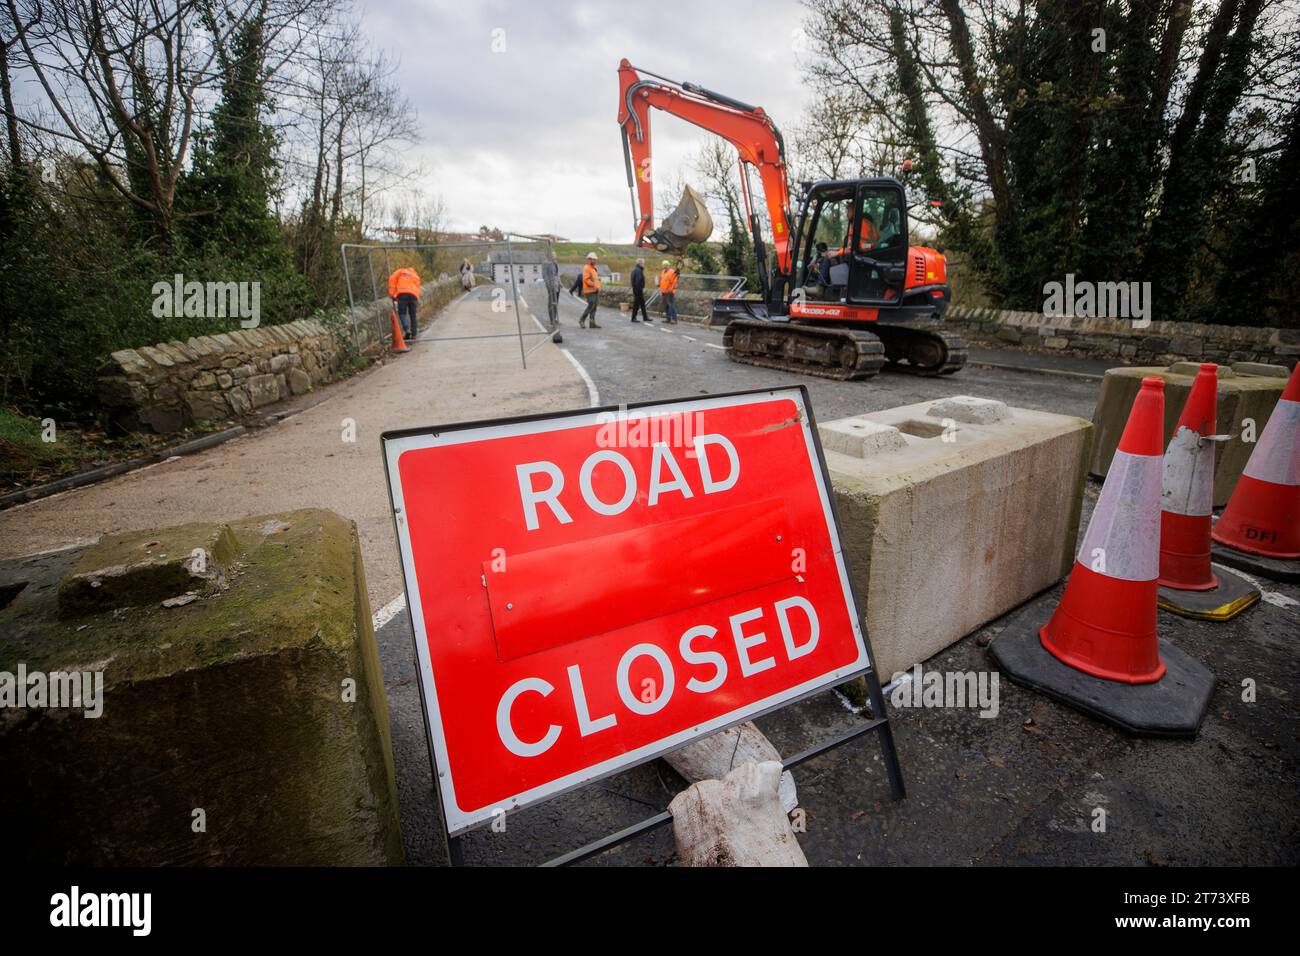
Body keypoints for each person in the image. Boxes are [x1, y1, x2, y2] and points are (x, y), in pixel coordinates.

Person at [387, 265, 421, 340]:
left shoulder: (401, 271)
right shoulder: (416, 276)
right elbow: (418, 287)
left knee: (402, 313)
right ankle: (414, 333)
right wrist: (416, 298)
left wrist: (392, 294)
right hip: (413, 295)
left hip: (402, 294)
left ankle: (406, 329)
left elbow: (392, 279)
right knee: (413, 314)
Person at [578, 251, 602, 329]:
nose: (594, 261)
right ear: (589, 260)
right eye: (593, 259)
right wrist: (595, 285)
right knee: (591, 306)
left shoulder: (593, 269)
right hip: (589, 291)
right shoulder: (587, 268)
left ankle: (592, 323)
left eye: (595, 260)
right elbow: (586, 280)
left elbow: (594, 279)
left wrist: (598, 281)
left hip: (595, 290)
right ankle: (582, 320)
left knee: (594, 307)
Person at [542, 251, 561, 328]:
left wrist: (560, 283)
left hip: (557, 286)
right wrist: (548, 286)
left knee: (556, 302)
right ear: (549, 255)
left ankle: (555, 318)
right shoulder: (546, 263)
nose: (554, 256)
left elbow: (557, 274)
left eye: (555, 254)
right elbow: (544, 275)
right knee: (551, 303)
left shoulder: (555, 263)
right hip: (551, 286)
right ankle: (551, 320)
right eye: (553, 254)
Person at [658, 259, 679, 324]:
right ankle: (668, 318)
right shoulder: (663, 272)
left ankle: (674, 319)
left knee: (671, 306)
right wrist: (660, 288)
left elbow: (674, 282)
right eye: (664, 265)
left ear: (668, 265)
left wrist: (671, 290)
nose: (665, 266)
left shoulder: (672, 272)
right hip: (664, 292)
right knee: (666, 306)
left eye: (666, 265)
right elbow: (661, 281)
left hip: (669, 292)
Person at [629, 257, 648, 323]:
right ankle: (633, 318)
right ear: (640, 263)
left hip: (636, 289)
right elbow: (637, 281)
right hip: (638, 289)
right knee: (636, 304)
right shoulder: (638, 271)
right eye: (643, 263)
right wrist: (639, 289)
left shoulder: (635, 270)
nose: (644, 264)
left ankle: (645, 317)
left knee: (642, 303)